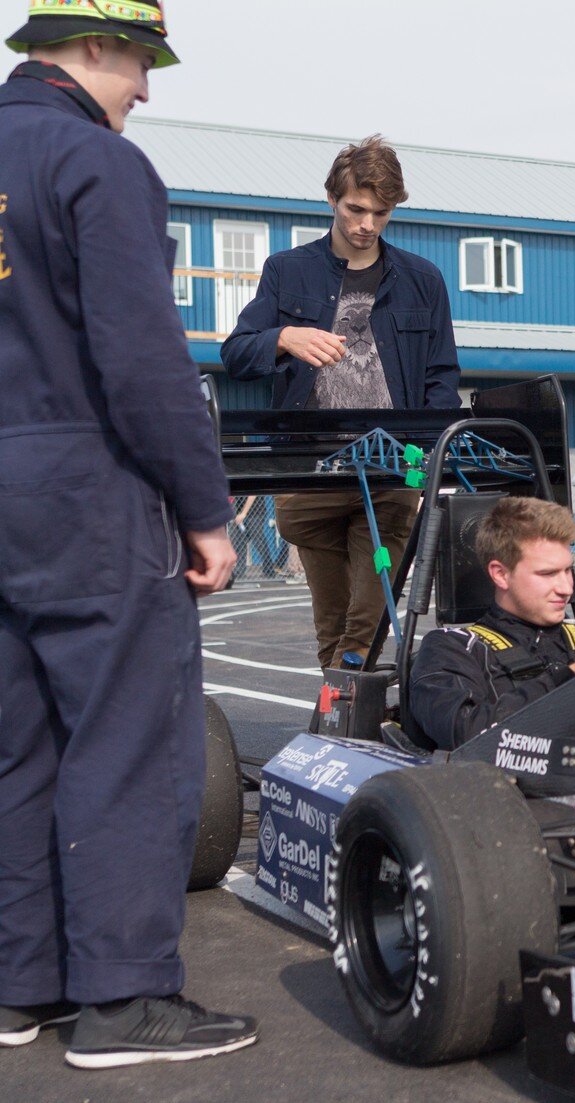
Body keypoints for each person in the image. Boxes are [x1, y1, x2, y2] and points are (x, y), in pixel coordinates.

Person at [0, 2, 257, 1066]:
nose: (145, 91)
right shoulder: (96, 165)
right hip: (88, 483)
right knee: (129, 737)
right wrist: (206, 509)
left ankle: (21, 983)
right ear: (97, 47)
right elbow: (145, 363)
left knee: (18, 745)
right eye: (141, 65)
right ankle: (121, 995)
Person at [222, 136, 460, 669]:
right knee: (332, 623)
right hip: (310, 471)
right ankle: (344, 721)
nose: (367, 224)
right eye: (356, 209)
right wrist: (285, 337)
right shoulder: (287, 270)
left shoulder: (424, 280)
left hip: (392, 471)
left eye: (382, 212)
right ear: (332, 197)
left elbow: (442, 378)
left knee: (368, 621)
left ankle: (342, 714)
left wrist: (429, 465)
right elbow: (235, 352)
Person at [407, 497, 575, 750]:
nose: (566, 588)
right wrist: (572, 675)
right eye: (548, 574)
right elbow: (468, 735)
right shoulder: (453, 650)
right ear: (500, 574)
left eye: (568, 571)